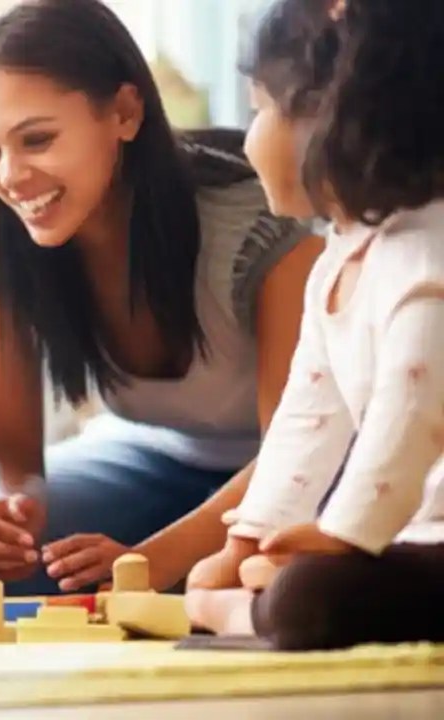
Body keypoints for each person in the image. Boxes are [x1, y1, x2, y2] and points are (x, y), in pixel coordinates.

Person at [0, 0, 323, 597]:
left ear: (123, 112)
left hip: (297, 472)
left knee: (281, 582)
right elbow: (10, 457)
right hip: (146, 460)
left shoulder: (263, 228)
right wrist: (8, 507)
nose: (11, 176)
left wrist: (151, 562)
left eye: (36, 139)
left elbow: (297, 450)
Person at [186, 0, 444, 650]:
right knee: (297, 580)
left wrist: (344, 536)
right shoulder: (340, 258)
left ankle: (245, 616)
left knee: (309, 596)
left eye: (261, 110)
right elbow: (308, 414)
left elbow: (413, 413)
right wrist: (246, 535)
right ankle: (265, 602)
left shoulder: (426, 255)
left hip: (407, 535)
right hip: (411, 534)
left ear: (329, 118)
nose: (248, 138)